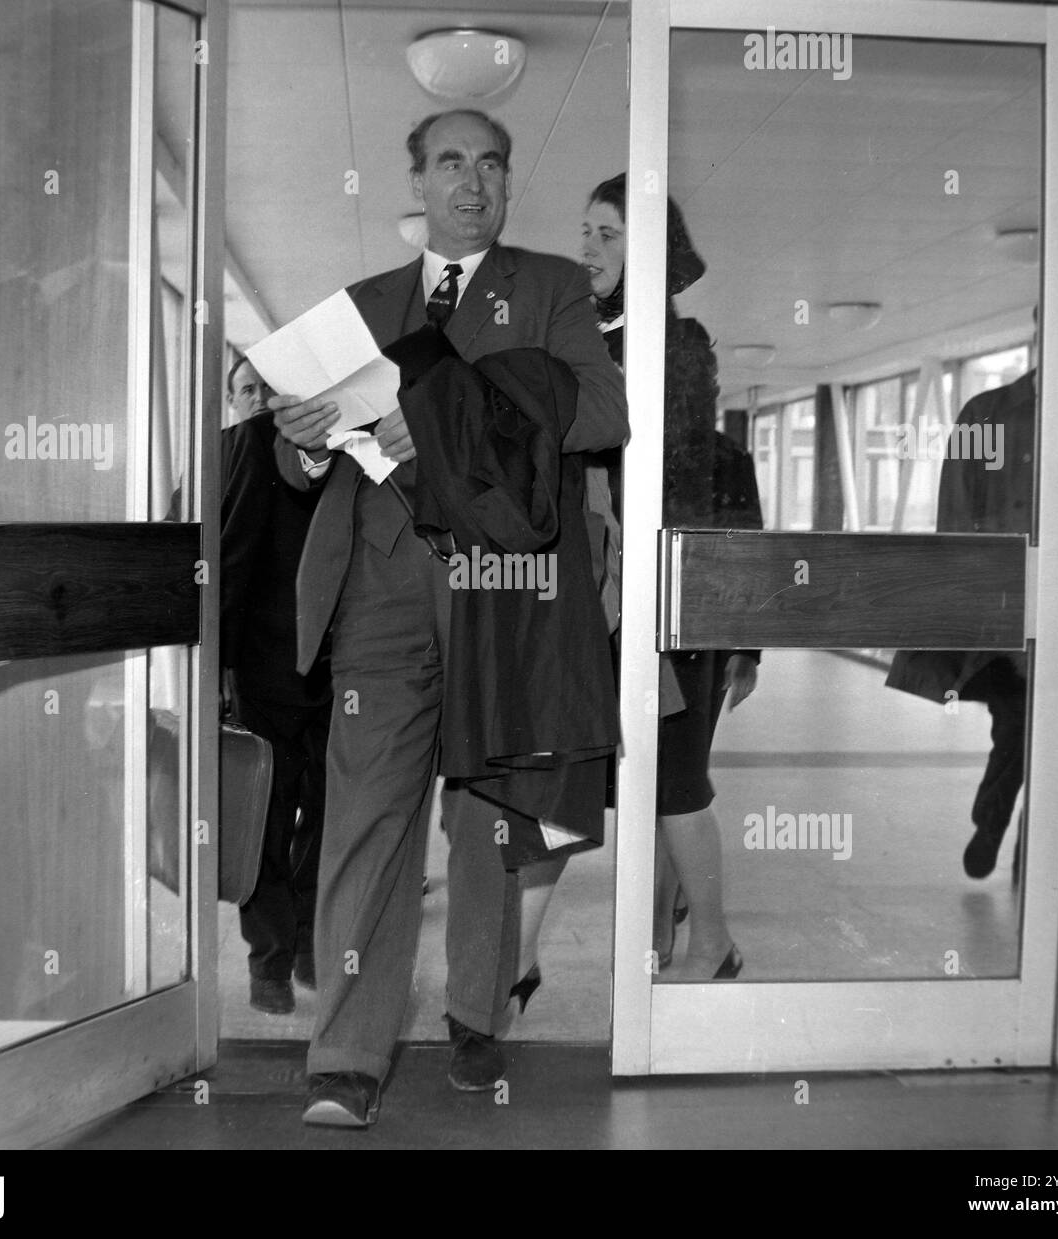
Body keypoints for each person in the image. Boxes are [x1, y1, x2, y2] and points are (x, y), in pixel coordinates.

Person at [271, 109, 628, 1127]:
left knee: (487, 827)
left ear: (509, 184)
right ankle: (344, 1056)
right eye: (448, 163)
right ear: (417, 183)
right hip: (379, 594)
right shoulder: (362, 304)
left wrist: (430, 412)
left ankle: (476, 1022)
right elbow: (309, 465)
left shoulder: (552, 287)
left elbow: (601, 413)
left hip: (500, 595)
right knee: (364, 824)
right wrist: (302, 447)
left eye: (489, 163)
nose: (470, 180)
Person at [508, 174, 763, 998]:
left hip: (663, 605)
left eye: (608, 234)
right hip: (591, 601)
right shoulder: (583, 336)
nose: (586, 246)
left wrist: (711, 630)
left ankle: (712, 940)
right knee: (560, 773)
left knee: (674, 783)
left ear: (648, 249)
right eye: (585, 229)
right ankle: (517, 957)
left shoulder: (673, 346)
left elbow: (673, 481)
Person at [886, 361, 1036, 879]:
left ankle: (1023, 851)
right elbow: (955, 521)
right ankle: (994, 827)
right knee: (1017, 730)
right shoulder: (987, 414)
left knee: (1050, 740)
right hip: (1006, 613)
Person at [220, 356, 332, 1013]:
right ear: (231, 400)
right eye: (245, 389)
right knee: (264, 813)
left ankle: (309, 946)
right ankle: (270, 962)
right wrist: (218, 671)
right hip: (262, 670)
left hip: (331, 664)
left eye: (268, 388)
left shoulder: (316, 448)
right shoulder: (230, 452)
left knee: (324, 814)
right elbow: (221, 564)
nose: (258, 399)